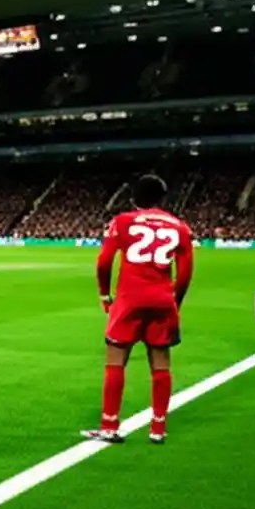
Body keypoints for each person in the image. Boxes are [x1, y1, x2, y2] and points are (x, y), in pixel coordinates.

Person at [84, 174, 194, 445]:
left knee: (115, 359)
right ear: (163, 198)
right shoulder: (179, 226)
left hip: (129, 300)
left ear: (134, 198)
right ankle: (158, 428)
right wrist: (174, 302)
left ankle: (109, 425)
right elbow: (186, 272)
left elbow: (104, 261)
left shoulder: (122, 221)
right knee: (161, 363)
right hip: (162, 300)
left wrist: (103, 293)